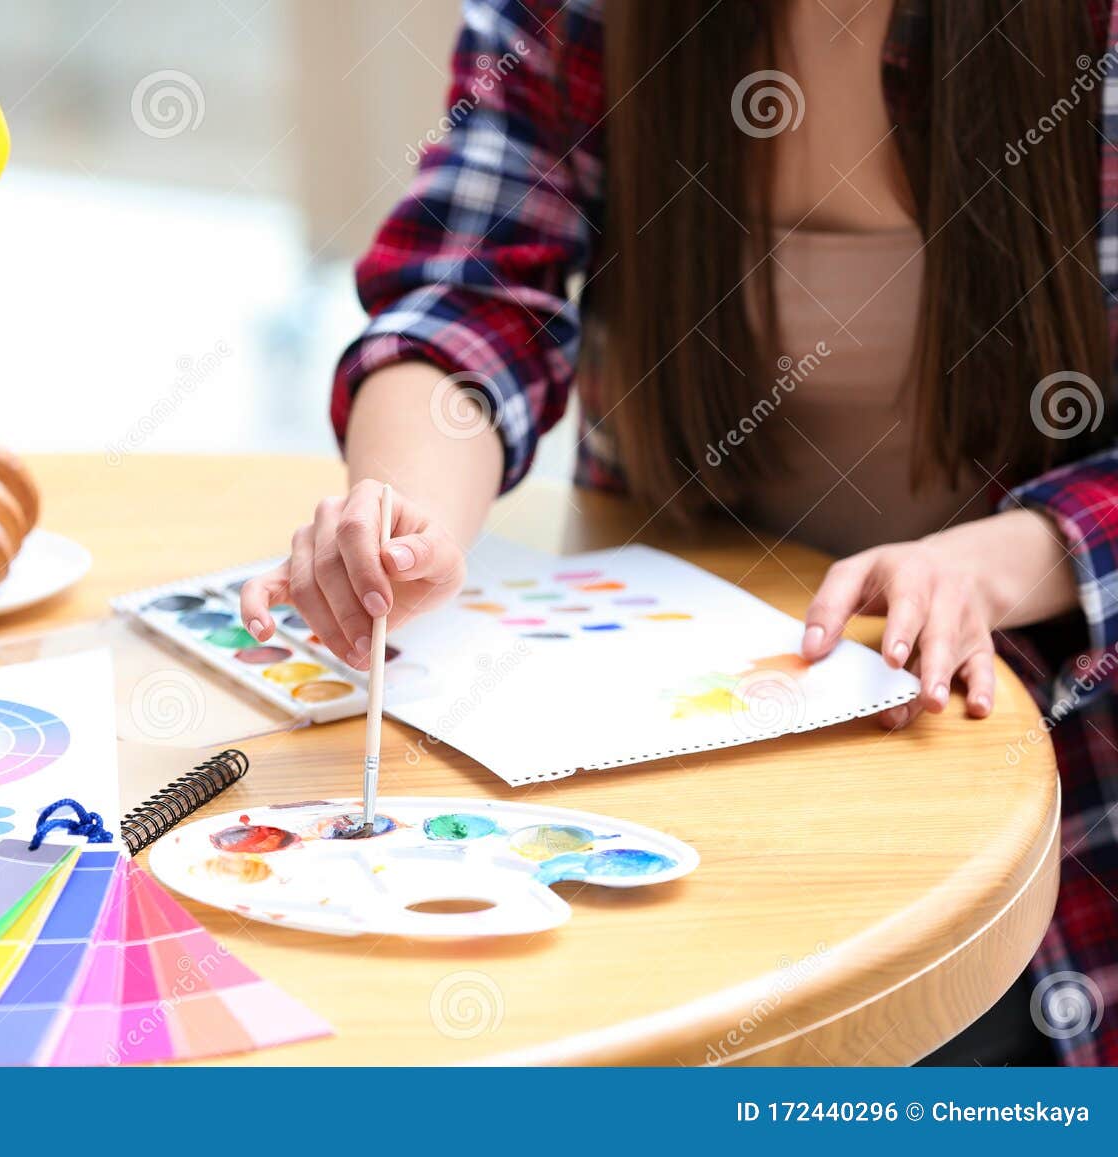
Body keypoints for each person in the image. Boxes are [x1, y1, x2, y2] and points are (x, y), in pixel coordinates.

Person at [239, 0, 1118, 1065]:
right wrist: (403, 521)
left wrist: (1004, 559)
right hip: (683, 739)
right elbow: (469, 294)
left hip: (1048, 770)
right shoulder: (578, 17)